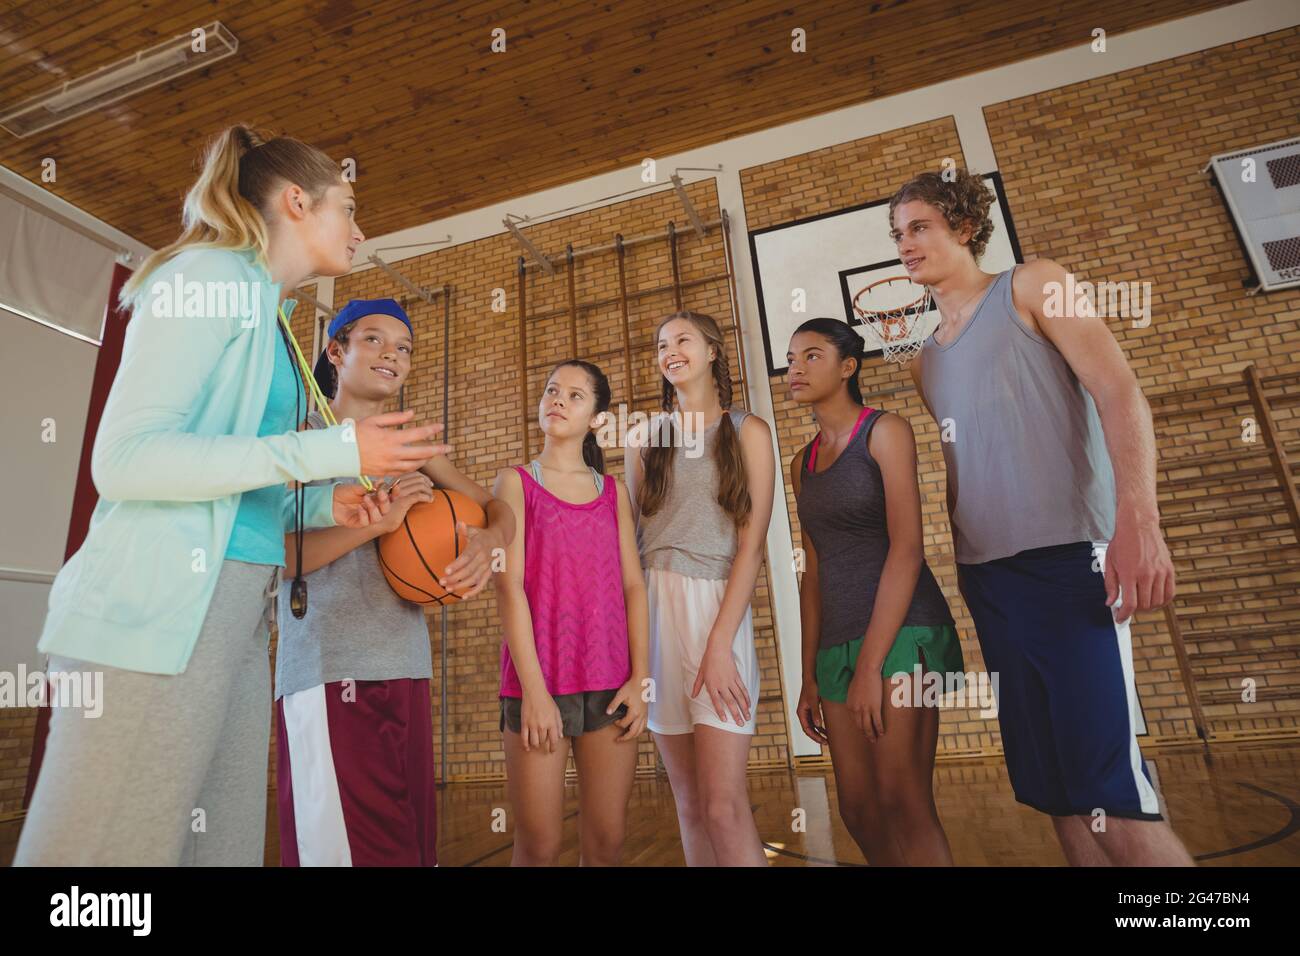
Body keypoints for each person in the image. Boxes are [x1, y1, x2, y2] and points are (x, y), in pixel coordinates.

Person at [15, 126, 446, 866]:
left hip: (240, 620)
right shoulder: (203, 280)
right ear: (297, 202)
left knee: (221, 854)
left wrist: (322, 506)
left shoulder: (273, 320)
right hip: (157, 617)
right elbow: (125, 461)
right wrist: (335, 451)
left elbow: (234, 485)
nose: (361, 228)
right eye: (349, 207)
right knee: (98, 872)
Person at [894, 167, 1193, 866]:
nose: (906, 245)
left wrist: (1137, 522)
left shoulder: (1031, 285)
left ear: (964, 227)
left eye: (921, 227)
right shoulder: (924, 360)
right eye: (898, 234)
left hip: (1071, 561)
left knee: (1112, 797)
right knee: (1056, 793)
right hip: (988, 580)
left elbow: (1119, 390)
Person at [274, 297, 515, 866]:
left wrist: (490, 541)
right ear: (335, 351)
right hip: (327, 668)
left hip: (404, 664)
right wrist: (376, 525)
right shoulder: (298, 439)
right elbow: (279, 557)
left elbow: (498, 506)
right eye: (376, 340)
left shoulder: (410, 449)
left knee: (409, 851)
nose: (393, 355)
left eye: (404, 347)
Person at [788, 317, 962, 865]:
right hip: (837, 640)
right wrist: (809, 673)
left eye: (811, 356)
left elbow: (908, 548)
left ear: (847, 366)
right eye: (791, 359)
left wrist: (870, 666)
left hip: (904, 632)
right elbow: (811, 573)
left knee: (903, 798)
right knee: (858, 810)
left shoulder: (885, 431)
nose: (795, 368)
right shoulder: (802, 464)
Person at [625, 310, 774, 867]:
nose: (670, 350)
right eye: (662, 343)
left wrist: (718, 645)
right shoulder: (643, 437)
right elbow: (633, 542)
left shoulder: (747, 431)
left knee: (722, 806)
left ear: (713, 351)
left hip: (716, 611)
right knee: (687, 803)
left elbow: (751, 545)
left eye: (682, 339)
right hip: (656, 614)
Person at [492, 360, 649, 866]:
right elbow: (509, 590)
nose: (558, 400)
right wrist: (536, 694)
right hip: (537, 687)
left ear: (597, 419)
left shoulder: (613, 494)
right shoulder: (514, 484)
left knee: (606, 844)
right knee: (539, 847)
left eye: (575, 396)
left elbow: (632, 587)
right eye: (552, 390)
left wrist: (640, 678)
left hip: (610, 685)